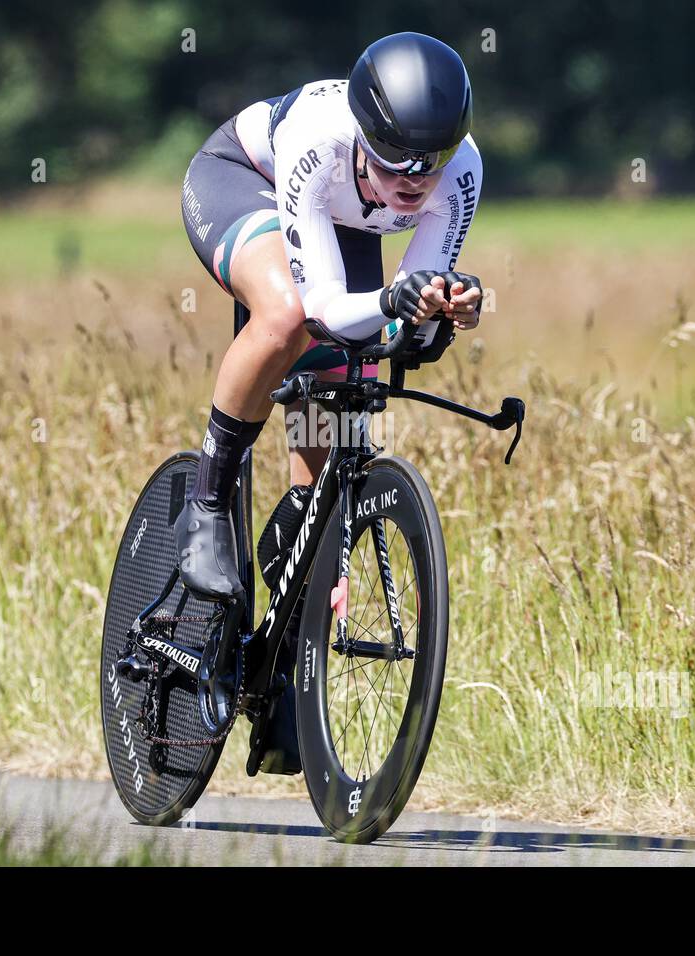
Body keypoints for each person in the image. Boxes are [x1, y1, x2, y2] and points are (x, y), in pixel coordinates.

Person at [177, 32, 484, 771]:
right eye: (396, 158)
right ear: (365, 135)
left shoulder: (460, 169)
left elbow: (399, 321)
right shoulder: (320, 143)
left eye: (432, 158)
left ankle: (278, 667)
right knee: (282, 317)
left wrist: (446, 307)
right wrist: (390, 300)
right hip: (244, 182)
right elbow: (318, 308)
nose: (416, 179)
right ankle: (208, 500)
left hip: (345, 230)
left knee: (349, 399)